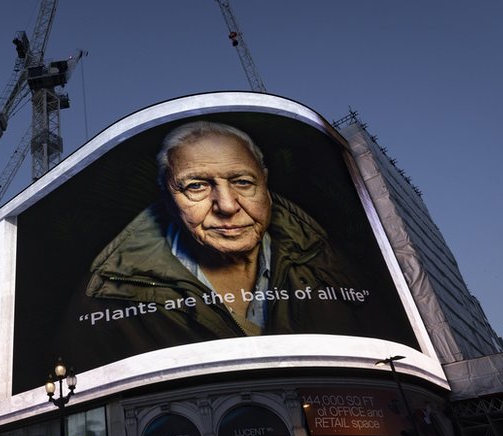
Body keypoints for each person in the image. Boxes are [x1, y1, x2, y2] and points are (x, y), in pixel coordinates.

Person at [62, 121, 373, 366]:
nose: (226, 205)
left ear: (264, 182)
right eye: (196, 186)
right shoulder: (103, 295)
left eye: (242, 182)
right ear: (168, 197)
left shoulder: (329, 263)